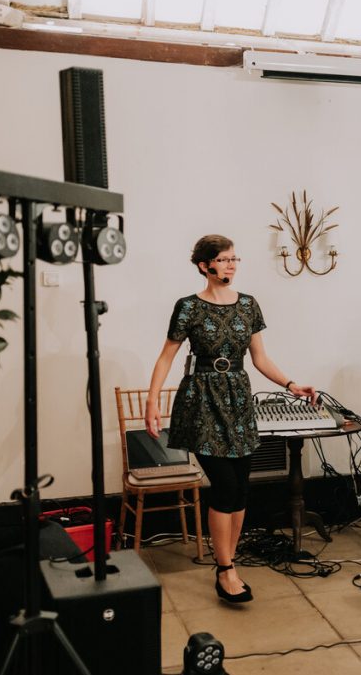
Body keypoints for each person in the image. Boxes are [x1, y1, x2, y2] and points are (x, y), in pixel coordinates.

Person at [144, 234, 315, 603]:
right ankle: (225, 570)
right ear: (205, 266)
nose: (232, 265)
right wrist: (153, 400)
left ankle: (230, 558)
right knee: (223, 486)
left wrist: (291, 384)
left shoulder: (249, 305)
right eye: (224, 260)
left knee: (240, 487)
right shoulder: (187, 307)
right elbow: (165, 357)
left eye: (235, 259)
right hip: (201, 399)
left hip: (238, 399)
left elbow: (260, 359)